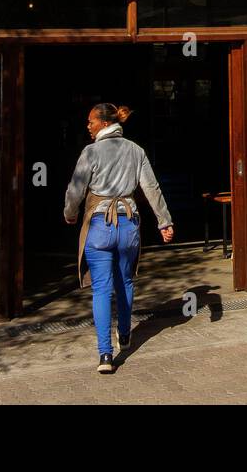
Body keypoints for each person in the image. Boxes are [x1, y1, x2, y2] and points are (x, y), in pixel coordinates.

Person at [64, 102, 174, 374]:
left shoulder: (90, 152)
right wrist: (164, 221)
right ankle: (125, 335)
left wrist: (70, 213)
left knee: (101, 289)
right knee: (125, 281)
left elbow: (75, 188)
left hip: (99, 225)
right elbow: (151, 187)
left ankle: (105, 355)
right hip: (128, 224)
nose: (87, 126)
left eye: (90, 121)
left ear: (103, 123)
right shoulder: (136, 150)